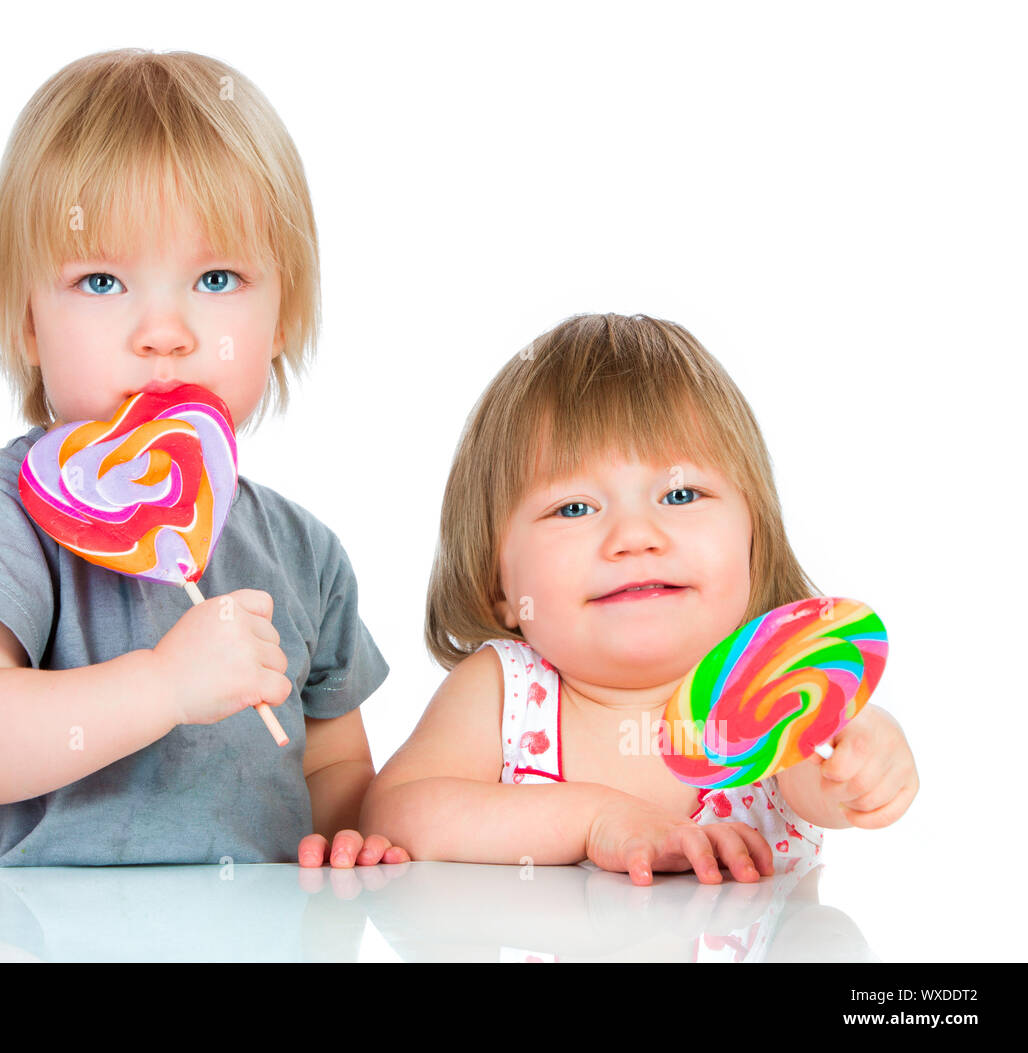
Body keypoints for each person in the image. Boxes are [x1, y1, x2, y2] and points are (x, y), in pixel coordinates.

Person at [0, 48, 406, 870]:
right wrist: (162, 686)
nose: (164, 331)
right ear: (28, 324)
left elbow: (329, 764)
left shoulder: (304, 554)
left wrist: (352, 833)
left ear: (283, 314)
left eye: (217, 277)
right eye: (102, 281)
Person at [362, 313, 917, 884]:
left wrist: (863, 760)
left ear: (754, 540)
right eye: (574, 508)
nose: (634, 536)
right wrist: (596, 818)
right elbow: (396, 814)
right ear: (499, 585)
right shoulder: (507, 691)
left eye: (680, 494)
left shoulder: (770, 684)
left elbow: (823, 781)